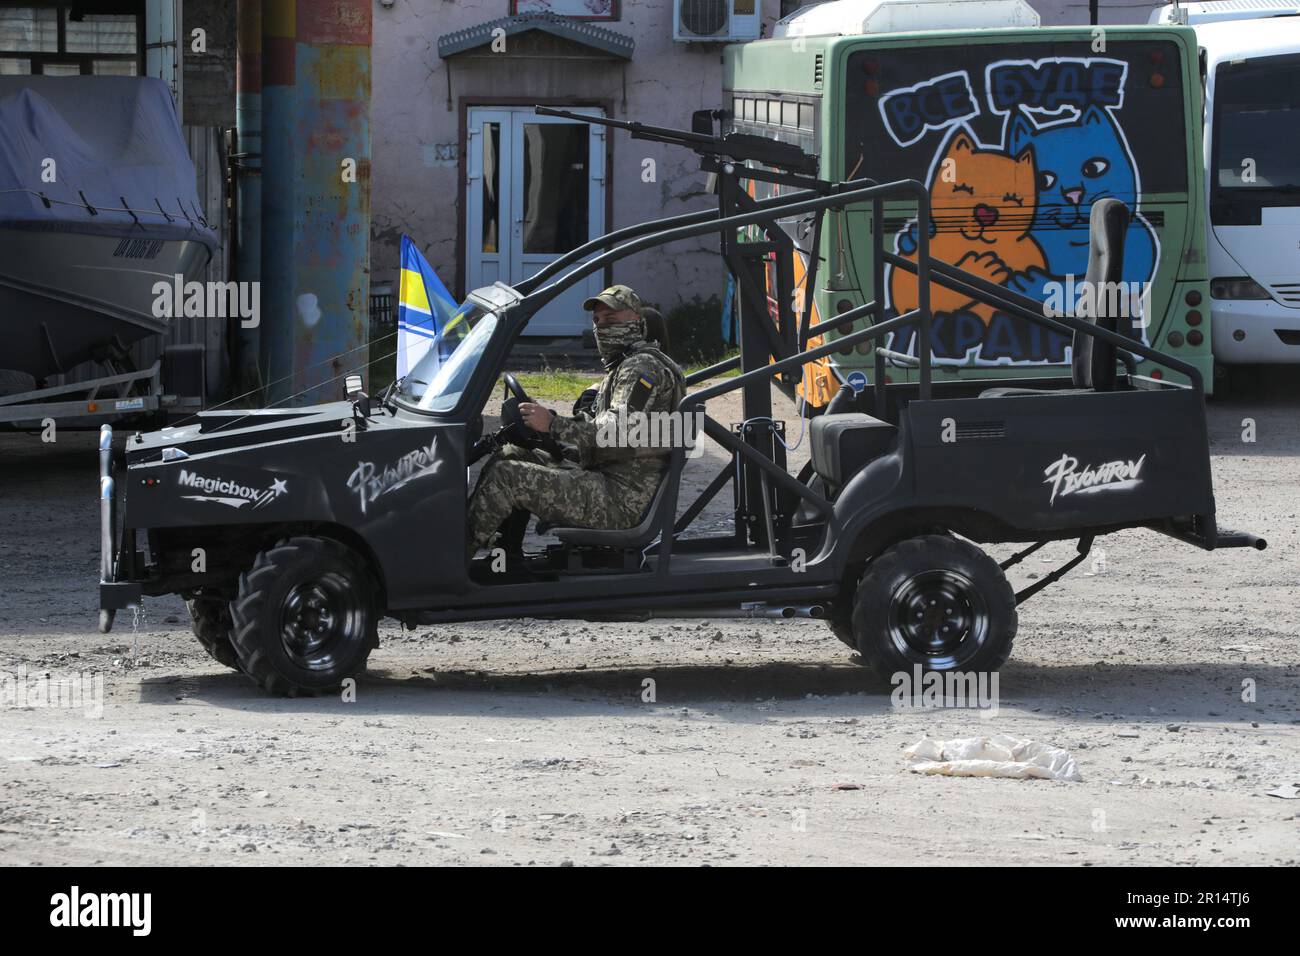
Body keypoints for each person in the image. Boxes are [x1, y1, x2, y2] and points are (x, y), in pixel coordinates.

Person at [466, 285, 687, 563]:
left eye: (612, 318)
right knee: (509, 454)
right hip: (605, 478)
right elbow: (600, 425)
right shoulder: (625, 364)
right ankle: (503, 557)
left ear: (636, 321)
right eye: (597, 321)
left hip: (620, 499)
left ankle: (450, 566)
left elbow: (615, 430)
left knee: (508, 477)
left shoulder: (641, 368)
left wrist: (554, 425)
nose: (602, 327)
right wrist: (547, 425)